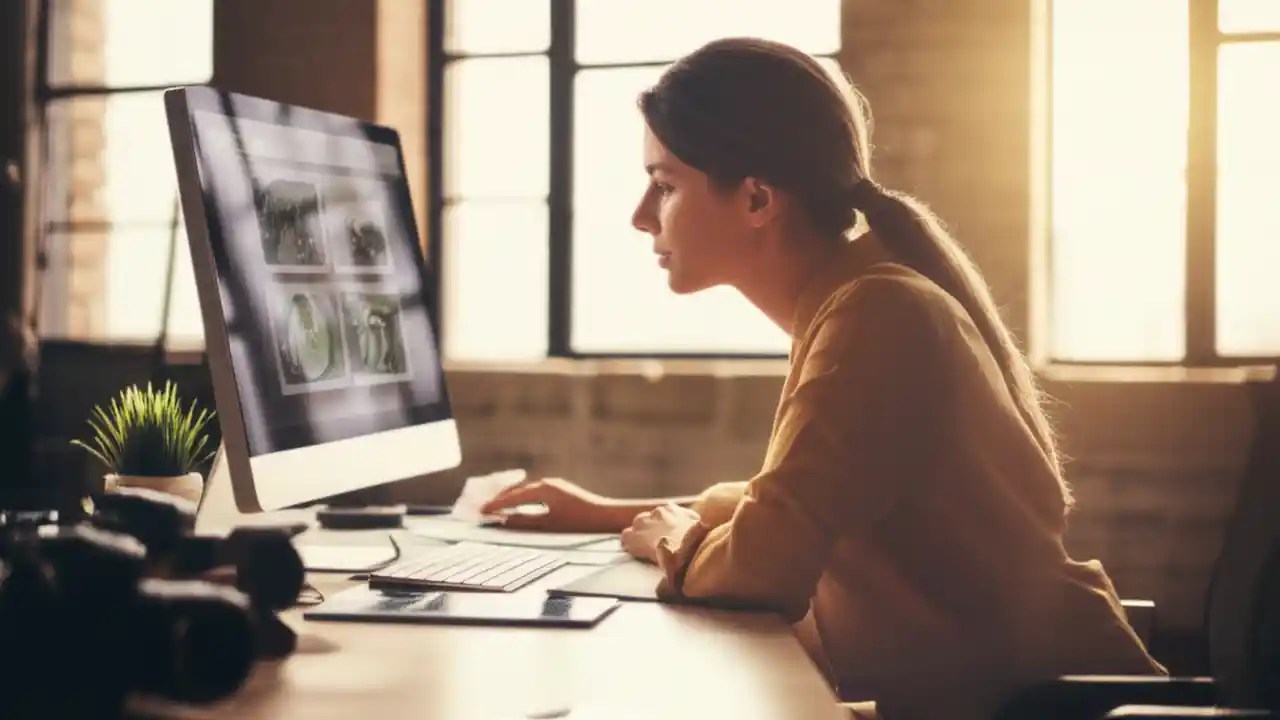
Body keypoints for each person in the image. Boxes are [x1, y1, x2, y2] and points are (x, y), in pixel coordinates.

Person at [480, 37, 1164, 720]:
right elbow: (788, 500)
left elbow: (762, 567)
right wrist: (608, 514)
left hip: (1052, 712)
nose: (639, 216)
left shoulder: (877, 316)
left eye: (664, 185)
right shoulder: (862, 301)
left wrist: (670, 537)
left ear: (756, 200)